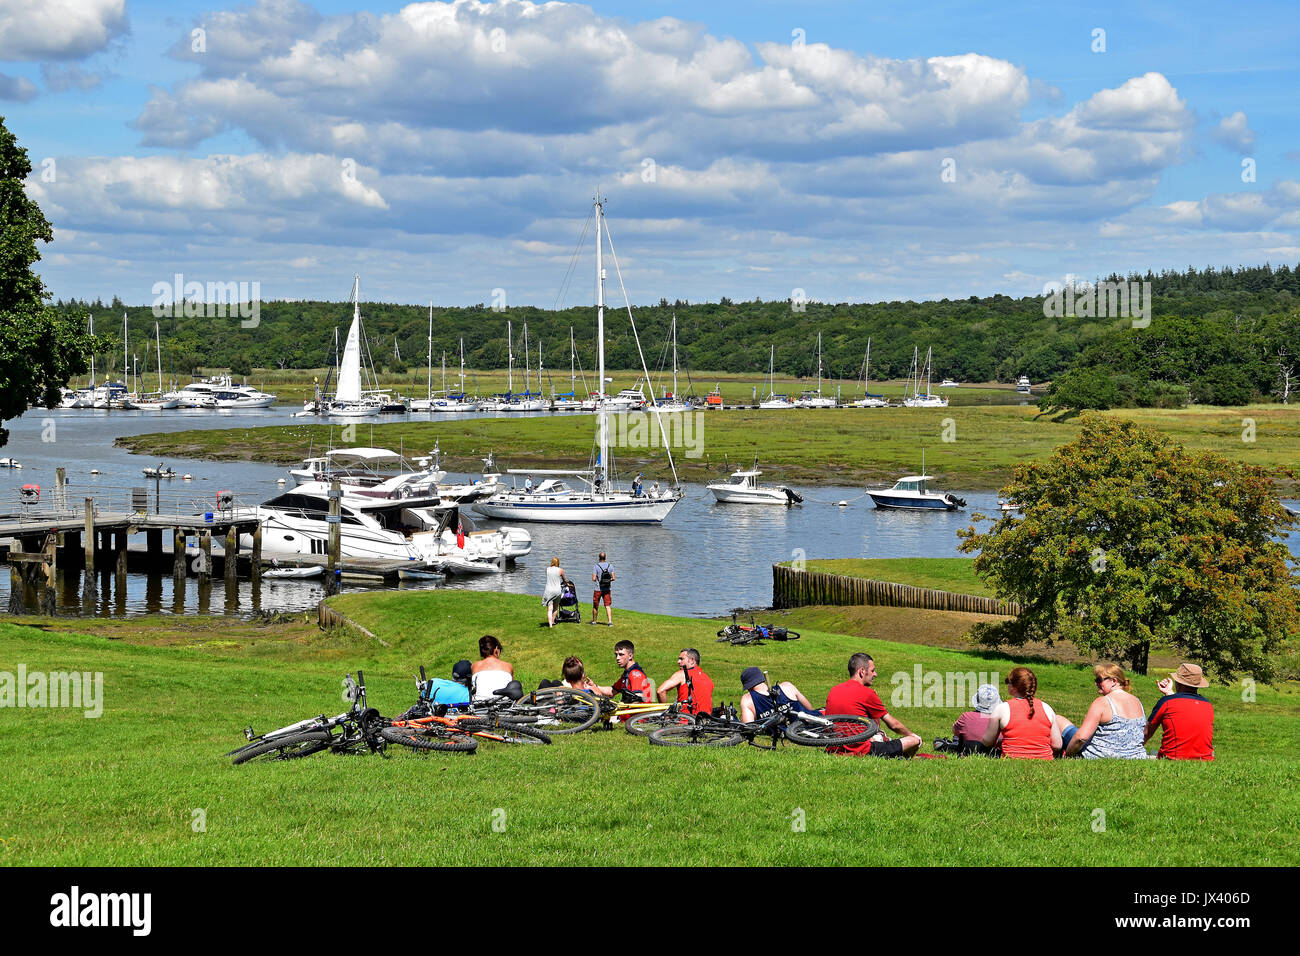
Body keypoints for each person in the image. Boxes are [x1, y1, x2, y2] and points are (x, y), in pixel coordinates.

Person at [823, 653, 922, 757]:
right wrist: (912, 735)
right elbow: (894, 725)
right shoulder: (867, 693)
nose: (875, 674)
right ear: (862, 671)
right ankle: (903, 759)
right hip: (861, 750)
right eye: (872, 670)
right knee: (913, 740)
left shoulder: (834, 690)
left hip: (834, 749)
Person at [1054, 663, 1151, 759]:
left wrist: (1068, 756)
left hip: (1100, 755)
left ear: (1114, 681)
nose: (1096, 683)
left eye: (1099, 680)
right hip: (1135, 756)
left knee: (1058, 720)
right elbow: (1144, 732)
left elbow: (1081, 738)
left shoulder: (1103, 702)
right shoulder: (1137, 701)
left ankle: (1055, 757)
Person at [981, 666, 1062, 759]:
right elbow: (1057, 745)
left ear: (1014, 687)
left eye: (1008, 681)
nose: (1007, 684)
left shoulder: (1002, 708)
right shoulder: (1047, 708)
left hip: (1011, 762)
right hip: (1044, 763)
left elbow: (987, 741)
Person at [1144, 662, 1215, 761]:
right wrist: (1169, 693)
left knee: (1151, 754)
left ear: (1178, 682)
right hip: (1204, 760)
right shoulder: (1208, 705)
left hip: (1172, 758)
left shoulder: (1166, 702)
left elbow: (1147, 732)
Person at [739, 667, 819, 722]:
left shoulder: (748, 700)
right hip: (810, 724)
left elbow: (749, 726)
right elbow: (809, 707)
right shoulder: (787, 686)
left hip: (783, 733)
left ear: (748, 687)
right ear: (763, 679)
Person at [584, 639, 654, 704]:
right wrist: (595, 686)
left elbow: (637, 700)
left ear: (630, 656)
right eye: (616, 654)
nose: (617, 658)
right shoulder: (627, 673)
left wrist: (620, 707)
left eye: (621, 654)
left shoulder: (635, 675)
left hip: (637, 716)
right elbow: (612, 691)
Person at [655, 648, 714, 716]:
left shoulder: (682, 674)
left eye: (681, 659)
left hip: (685, 721)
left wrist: (664, 713)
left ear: (692, 660)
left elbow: (660, 691)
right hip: (704, 722)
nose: (678, 662)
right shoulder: (708, 679)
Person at [470, 634, 514, 702]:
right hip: (504, 705)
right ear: (496, 649)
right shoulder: (508, 666)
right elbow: (512, 688)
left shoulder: (475, 666)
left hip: (479, 706)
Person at [541, 556, 569, 627]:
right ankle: (553, 622)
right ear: (558, 563)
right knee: (555, 608)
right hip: (557, 591)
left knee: (549, 609)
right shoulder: (560, 570)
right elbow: (564, 580)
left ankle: (550, 625)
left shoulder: (547, 569)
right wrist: (567, 583)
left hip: (549, 591)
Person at [591, 551, 614, 625]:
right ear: (605, 558)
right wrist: (608, 580)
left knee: (595, 605)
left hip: (598, 589)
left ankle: (594, 621)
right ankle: (610, 622)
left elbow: (594, 578)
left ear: (599, 558)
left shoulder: (596, 566)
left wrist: (598, 579)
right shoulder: (610, 566)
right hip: (607, 589)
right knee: (607, 605)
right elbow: (613, 578)